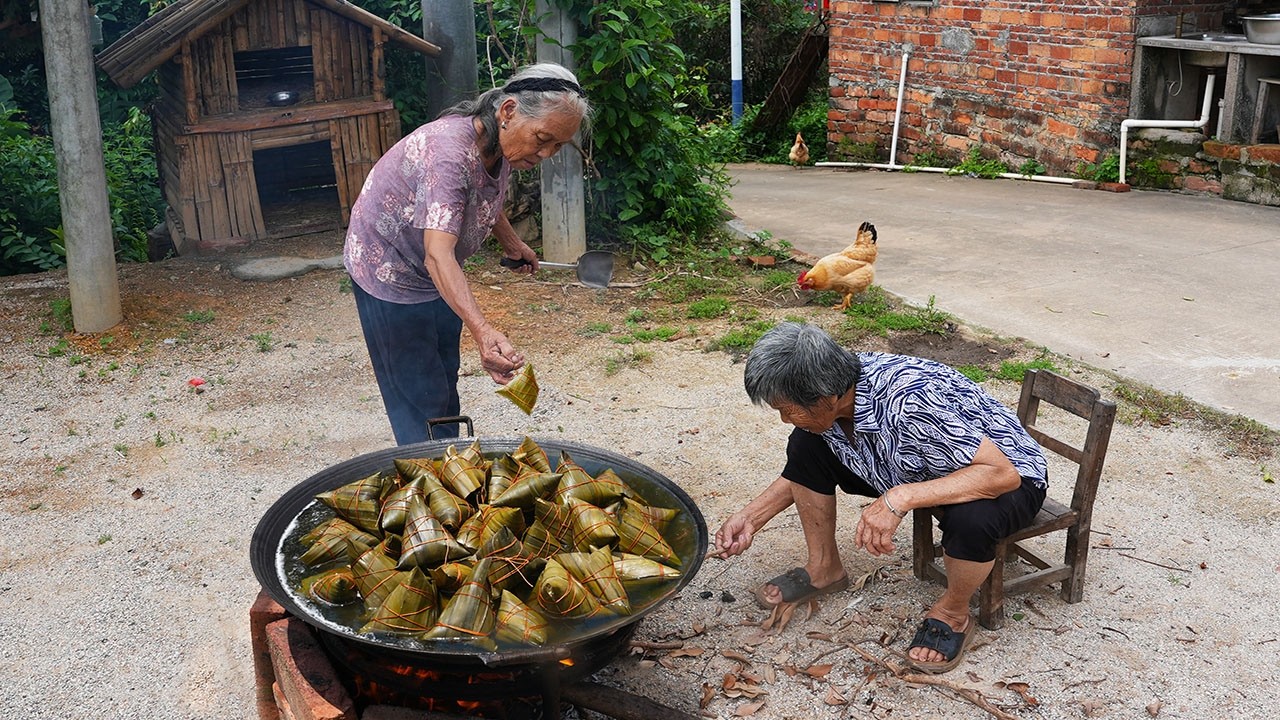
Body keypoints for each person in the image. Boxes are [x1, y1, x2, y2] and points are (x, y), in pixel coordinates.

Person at [712, 322, 1047, 674]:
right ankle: (824, 568)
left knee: (973, 520)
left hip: (1005, 476)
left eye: (789, 409)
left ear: (827, 396)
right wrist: (751, 518)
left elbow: (1002, 474)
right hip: (916, 464)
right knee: (806, 444)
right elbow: (802, 470)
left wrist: (898, 499)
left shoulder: (910, 400)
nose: (784, 419)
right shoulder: (837, 387)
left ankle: (953, 612)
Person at [343, 63, 591, 445]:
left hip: (435, 272)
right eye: (543, 138)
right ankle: (426, 465)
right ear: (508, 111)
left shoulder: (499, 145)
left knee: (443, 375)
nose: (545, 153)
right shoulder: (449, 154)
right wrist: (483, 331)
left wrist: (511, 242)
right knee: (417, 393)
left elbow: (480, 194)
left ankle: (449, 454)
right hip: (389, 270)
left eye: (557, 145)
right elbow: (437, 256)